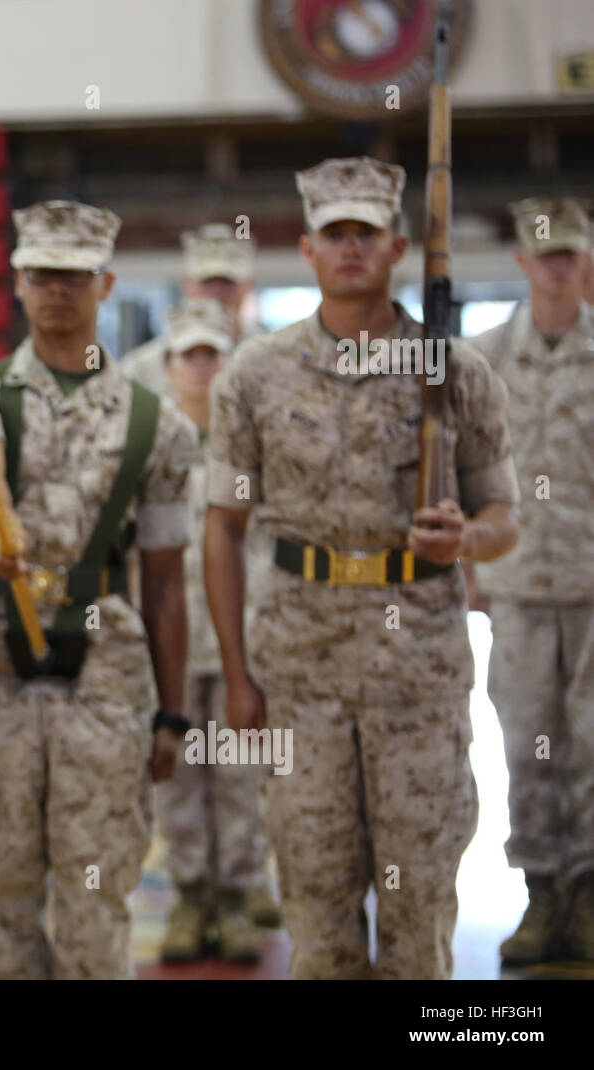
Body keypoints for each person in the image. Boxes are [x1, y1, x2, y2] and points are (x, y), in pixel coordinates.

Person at [204, 156, 521, 980]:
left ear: (400, 246)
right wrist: (237, 676)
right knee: (315, 899)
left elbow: (505, 516)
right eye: (335, 233)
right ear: (307, 248)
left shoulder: (454, 374)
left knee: (419, 906)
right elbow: (222, 524)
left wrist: (467, 540)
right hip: (297, 673)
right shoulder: (256, 375)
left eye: (367, 233)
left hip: (417, 674)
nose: (351, 248)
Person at [0, 200, 196, 979]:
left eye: (74, 276)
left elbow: (167, 581)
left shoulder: (158, 425)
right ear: (16, 281)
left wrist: (172, 713)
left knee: (97, 889)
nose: (57, 290)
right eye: (43, 273)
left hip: (106, 671)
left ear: (105, 283)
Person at [472, 196, 594, 966]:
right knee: (528, 744)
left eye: (570, 254)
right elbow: (463, 478)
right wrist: (472, 576)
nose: (557, 267)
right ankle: (540, 894)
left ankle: (588, 895)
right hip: (516, 589)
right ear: (522, 262)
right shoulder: (483, 359)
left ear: (586, 262)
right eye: (544, 254)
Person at [141, 298, 268, 963]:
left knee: (242, 772)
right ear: (167, 365)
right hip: (175, 639)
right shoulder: (155, 439)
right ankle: (191, 898)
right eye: (188, 354)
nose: (200, 366)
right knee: (182, 774)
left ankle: (239, 896)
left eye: (211, 354)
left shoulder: (252, 439)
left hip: (243, 635)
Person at [121, 222, 260, 397]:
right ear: (186, 283)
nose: (217, 292)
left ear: (248, 285)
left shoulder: (272, 358)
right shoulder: (143, 369)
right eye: (207, 281)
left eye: (227, 282)